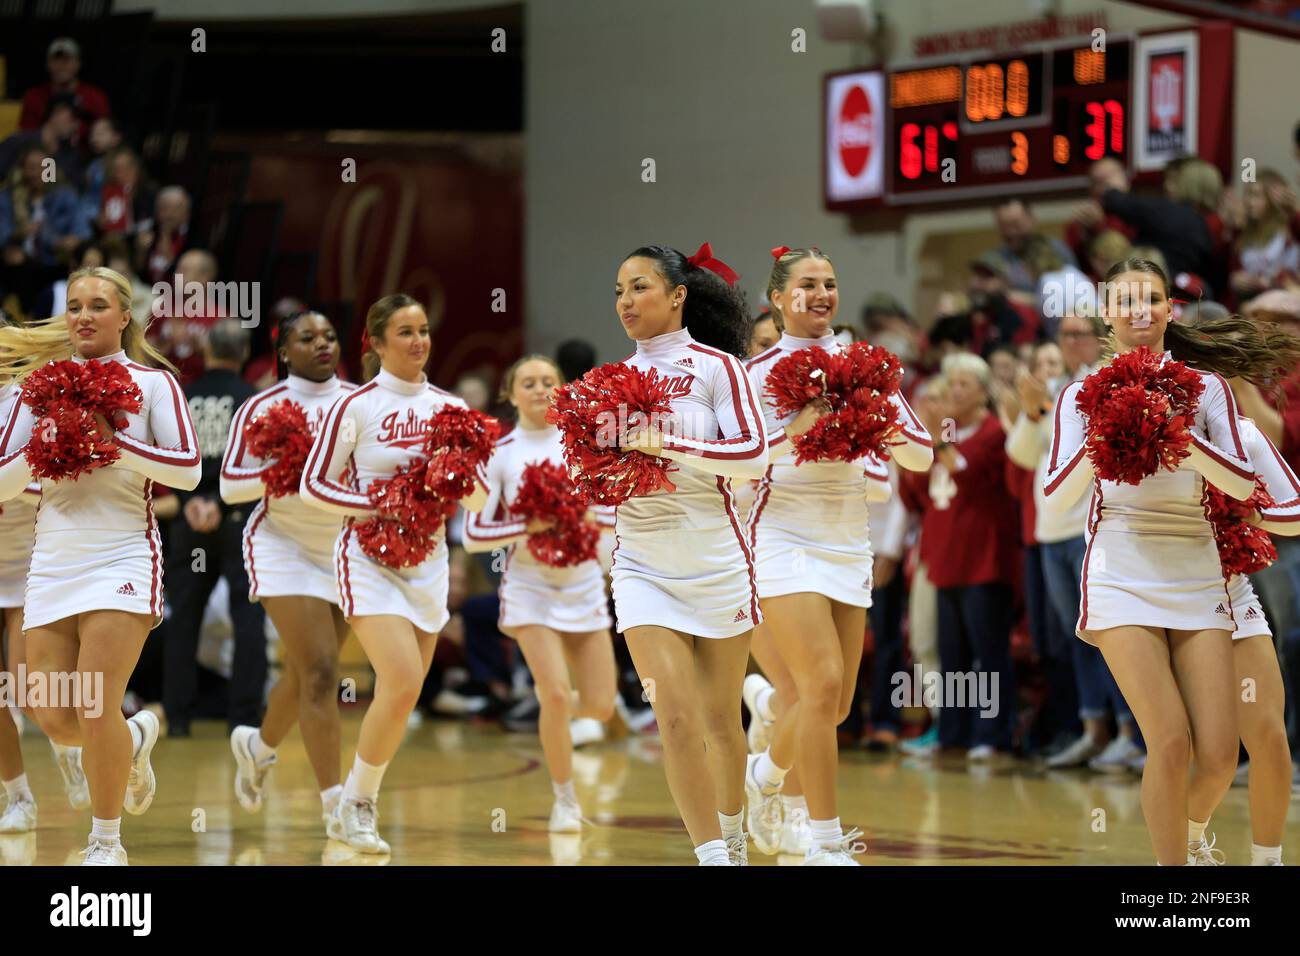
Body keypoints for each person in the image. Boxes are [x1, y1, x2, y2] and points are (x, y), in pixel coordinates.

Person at [1042, 257, 1298, 864]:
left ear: (1168, 309)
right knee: (1171, 741)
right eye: (1126, 300)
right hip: (1120, 572)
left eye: (1152, 299)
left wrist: (1180, 437)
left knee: (1218, 753)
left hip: (1199, 573)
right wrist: (1104, 433)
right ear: (1107, 311)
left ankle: (1195, 842)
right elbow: (1055, 495)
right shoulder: (1079, 394)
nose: (1140, 310)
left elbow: (1241, 485)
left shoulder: (1205, 389)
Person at [0, 266, 201, 865]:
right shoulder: (39, 388)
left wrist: (109, 440)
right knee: (50, 711)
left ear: (123, 317)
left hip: (123, 553)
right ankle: (135, 734)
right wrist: (45, 448)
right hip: (53, 559)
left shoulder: (154, 384)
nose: (83, 315)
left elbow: (187, 470)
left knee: (93, 706)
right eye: (74, 306)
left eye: (96, 305)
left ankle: (105, 841)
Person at [741, 246, 932, 865]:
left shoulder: (863, 363)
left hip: (848, 540)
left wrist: (881, 417)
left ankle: (765, 774)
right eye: (806, 285)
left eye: (829, 283)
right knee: (819, 684)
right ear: (777, 297)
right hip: (782, 537)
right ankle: (825, 841)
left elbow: (921, 456)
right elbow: (738, 459)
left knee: (836, 703)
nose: (821, 294)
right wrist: (792, 428)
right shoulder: (756, 372)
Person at [300, 293, 489, 854]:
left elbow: (478, 498)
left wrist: (450, 474)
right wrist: (377, 505)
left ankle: (354, 798)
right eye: (404, 332)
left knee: (405, 693)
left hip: (427, 561)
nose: (419, 341)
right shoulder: (355, 406)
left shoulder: (449, 406)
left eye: (424, 330)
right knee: (403, 677)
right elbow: (314, 484)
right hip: (366, 556)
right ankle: (358, 806)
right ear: (377, 344)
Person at [602, 243, 767, 866]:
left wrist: (665, 444)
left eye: (639, 287)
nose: (626, 302)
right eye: (618, 291)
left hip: (718, 562)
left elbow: (753, 455)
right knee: (673, 717)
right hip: (642, 565)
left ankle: (734, 837)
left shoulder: (719, 369)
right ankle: (712, 857)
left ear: (678, 296)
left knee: (722, 720)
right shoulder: (609, 383)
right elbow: (599, 477)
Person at [462, 354, 618, 832]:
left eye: (547, 381)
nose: (538, 389)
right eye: (527, 382)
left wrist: (583, 520)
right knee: (553, 694)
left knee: (599, 707)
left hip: (583, 581)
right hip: (528, 587)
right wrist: (529, 525)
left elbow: (612, 513)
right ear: (510, 394)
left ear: (562, 388)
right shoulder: (499, 451)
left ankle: (560, 714)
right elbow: (474, 533)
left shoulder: (585, 443)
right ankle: (565, 799)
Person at [221, 310, 358, 835]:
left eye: (329, 335)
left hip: (344, 548)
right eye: (307, 337)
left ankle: (257, 747)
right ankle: (335, 806)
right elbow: (231, 486)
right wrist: (285, 469)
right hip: (283, 546)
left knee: (305, 673)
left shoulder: (358, 402)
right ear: (283, 351)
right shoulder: (263, 406)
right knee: (323, 671)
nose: (322, 343)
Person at [161, 319, 265, 736]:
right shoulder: (253, 400)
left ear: (206, 353)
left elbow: (170, 457)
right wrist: (221, 502)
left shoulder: (184, 397)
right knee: (248, 617)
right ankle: (242, 719)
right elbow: (258, 465)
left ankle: (178, 719)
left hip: (189, 521)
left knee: (183, 617)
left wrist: (190, 502)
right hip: (237, 520)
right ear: (242, 354)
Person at [18, 38, 111, 140]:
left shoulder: (94, 97)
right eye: (56, 60)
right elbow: (25, 137)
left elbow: (105, 135)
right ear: (47, 64)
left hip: (85, 153)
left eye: (66, 60)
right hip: (45, 152)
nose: (61, 66)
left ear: (78, 63)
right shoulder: (34, 96)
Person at [1230, 170, 1300, 303]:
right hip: (1249, 305)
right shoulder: (1242, 234)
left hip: (1285, 304)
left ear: (1273, 200)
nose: (1250, 203)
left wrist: (1262, 282)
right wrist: (1235, 280)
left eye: (1257, 196)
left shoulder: (1289, 230)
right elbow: (1234, 272)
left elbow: (1289, 277)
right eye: (1248, 195)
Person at [989, 198, 1078, 295]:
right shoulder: (995, 259)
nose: (1010, 232)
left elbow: (1075, 292)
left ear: (1032, 220)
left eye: (1016, 225)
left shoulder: (1056, 250)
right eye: (1003, 226)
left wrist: (1011, 296)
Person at [137, 186, 192, 286]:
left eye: (175, 209)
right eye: (164, 208)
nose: (169, 214)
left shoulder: (194, 240)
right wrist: (141, 252)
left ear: (186, 214)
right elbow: (137, 274)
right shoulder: (148, 232)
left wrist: (167, 247)